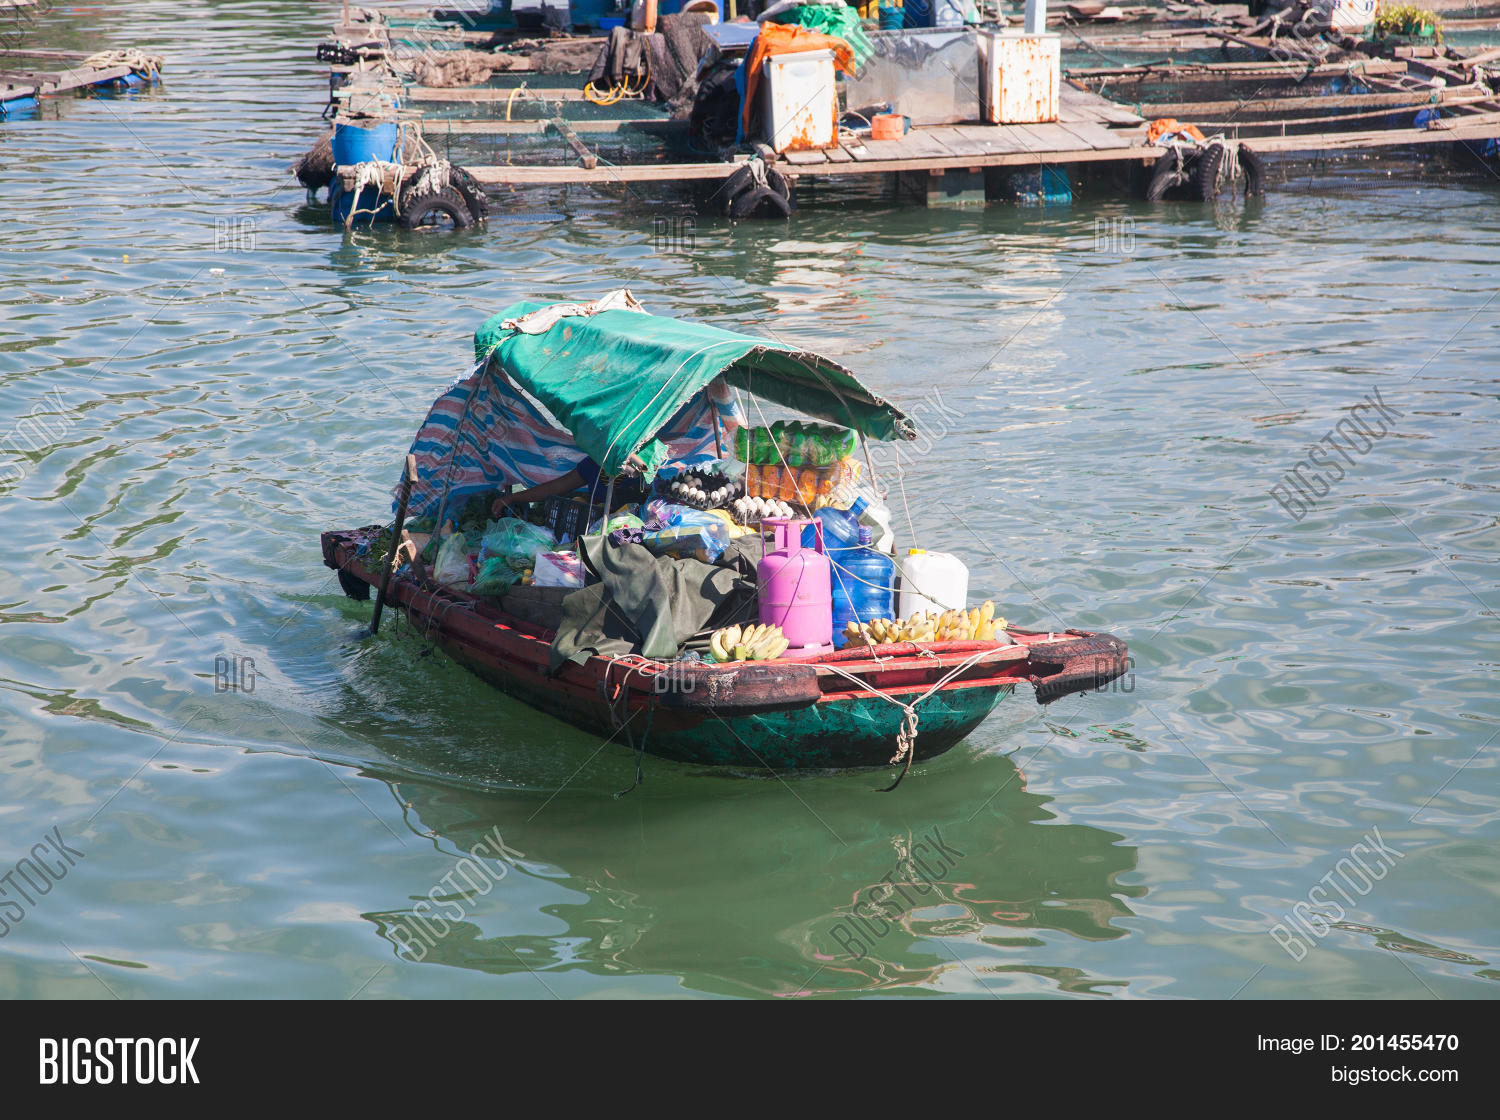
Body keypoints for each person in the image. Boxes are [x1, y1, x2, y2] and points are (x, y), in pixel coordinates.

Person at [491, 451, 650, 518]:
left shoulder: (643, 466)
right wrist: (512, 498)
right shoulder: (593, 464)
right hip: (597, 525)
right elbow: (555, 488)